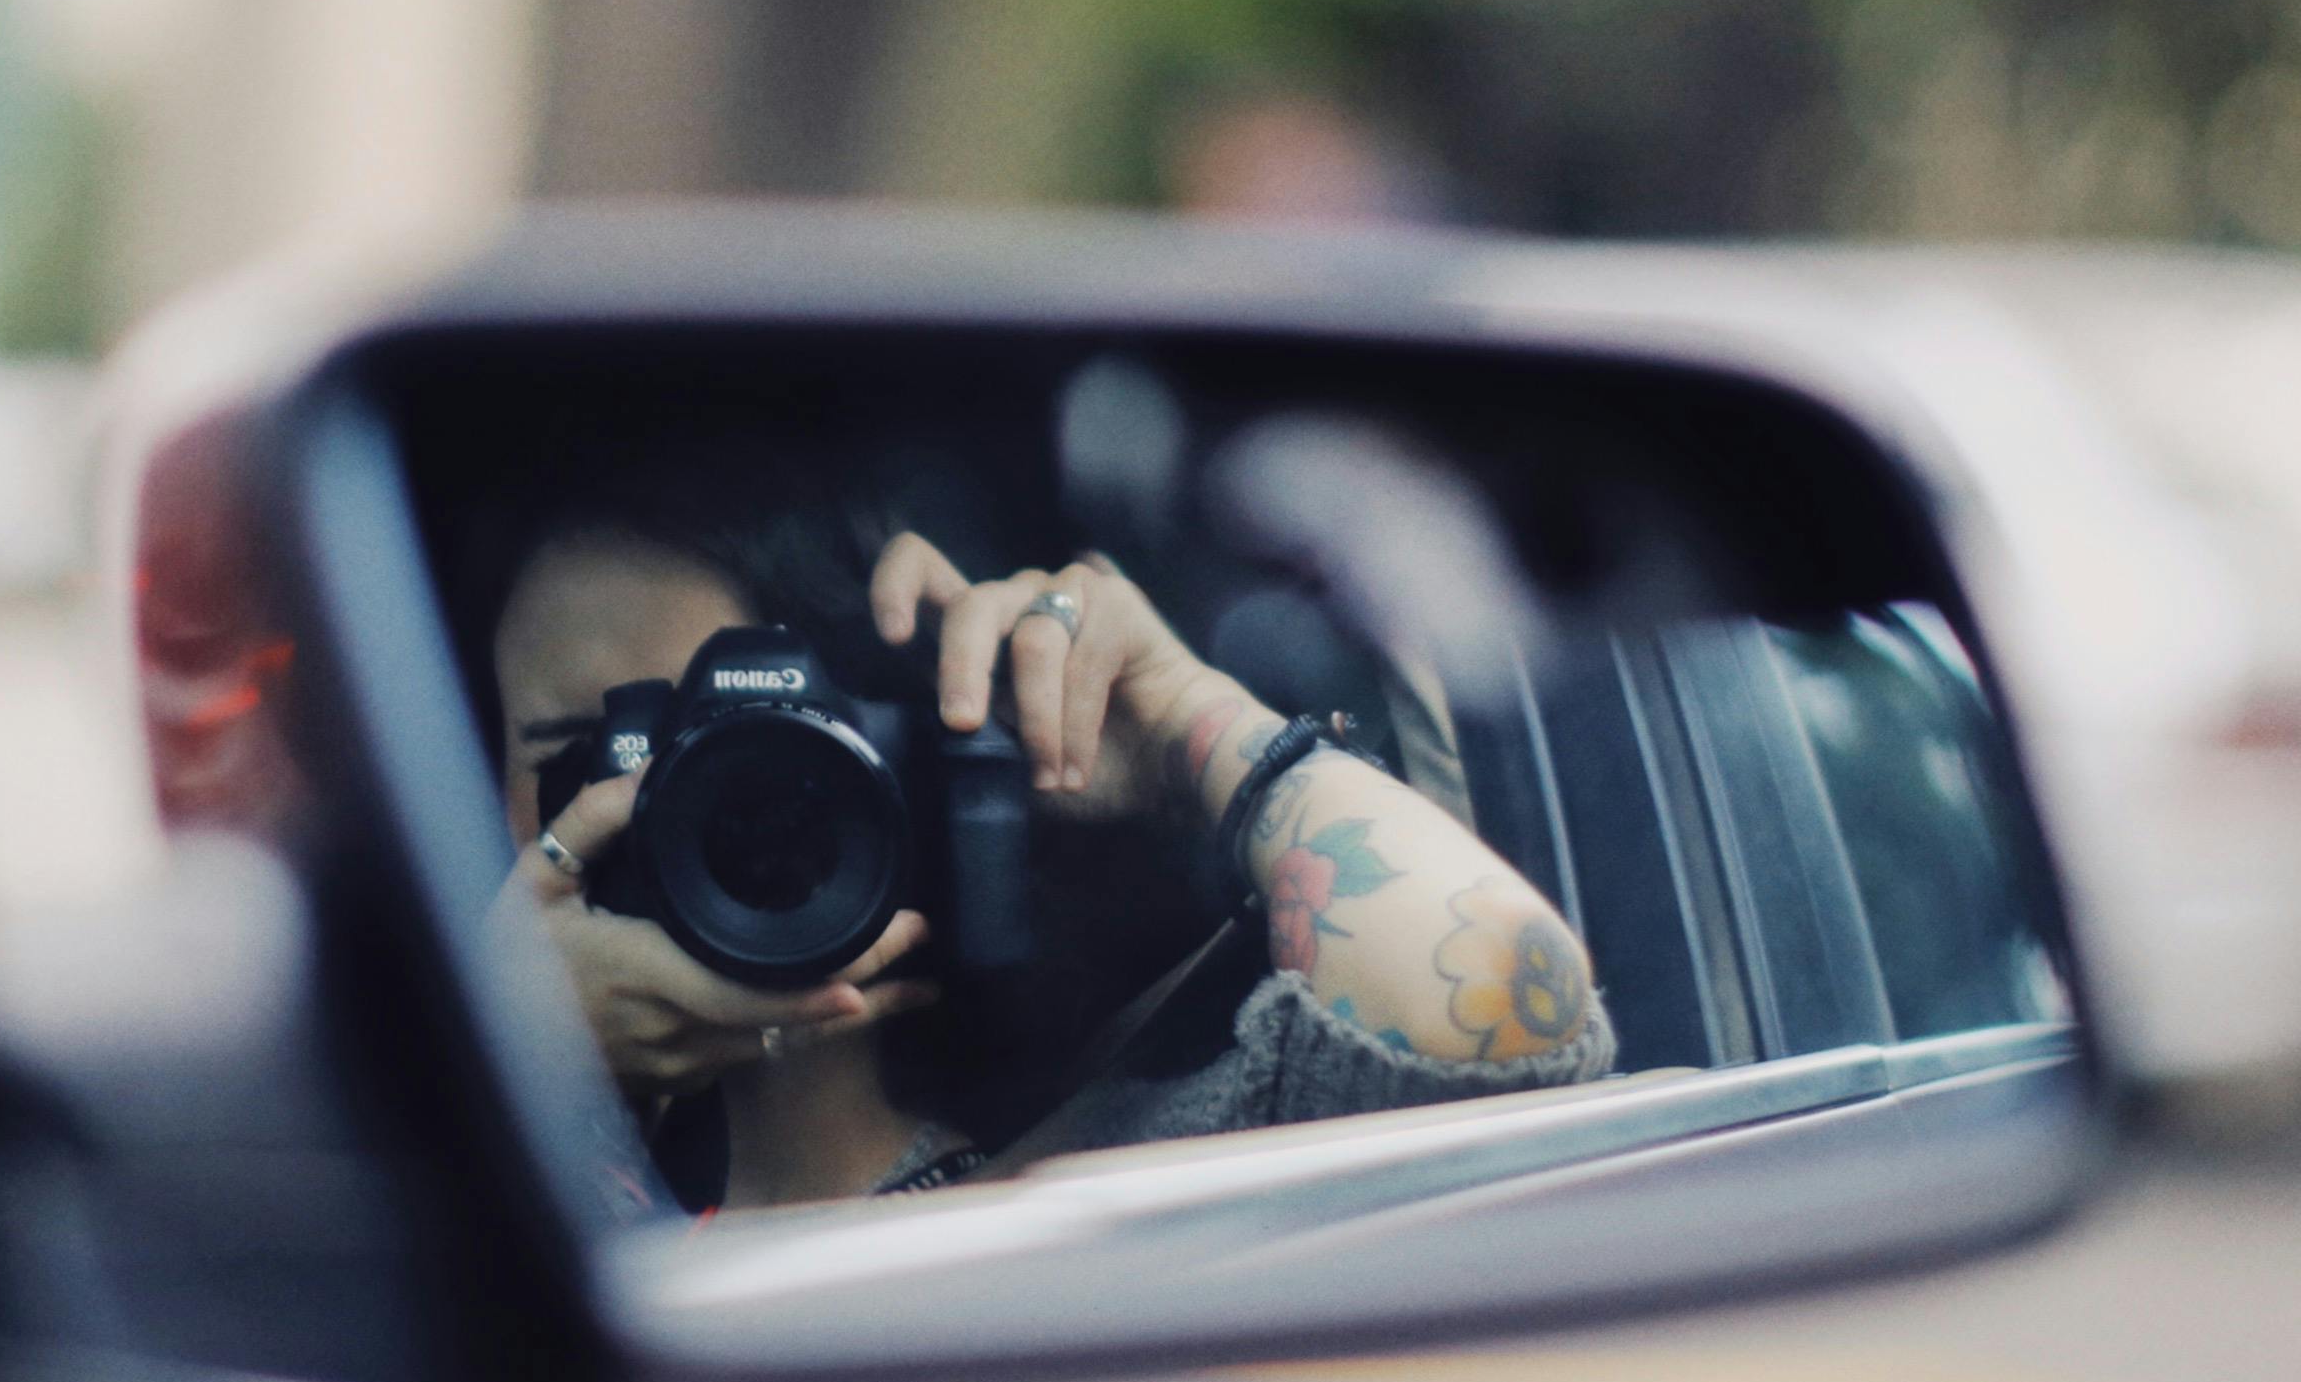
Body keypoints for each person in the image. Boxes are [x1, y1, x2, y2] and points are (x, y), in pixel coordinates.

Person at [476, 450, 1613, 1210]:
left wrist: (1184, 721)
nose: (703, 798)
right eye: (602, 741)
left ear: (916, 750)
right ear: (497, 806)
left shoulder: (1136, 1187)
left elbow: (1503, 1002)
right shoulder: (508, 1197)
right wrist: (501, 1048)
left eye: (755, 738)